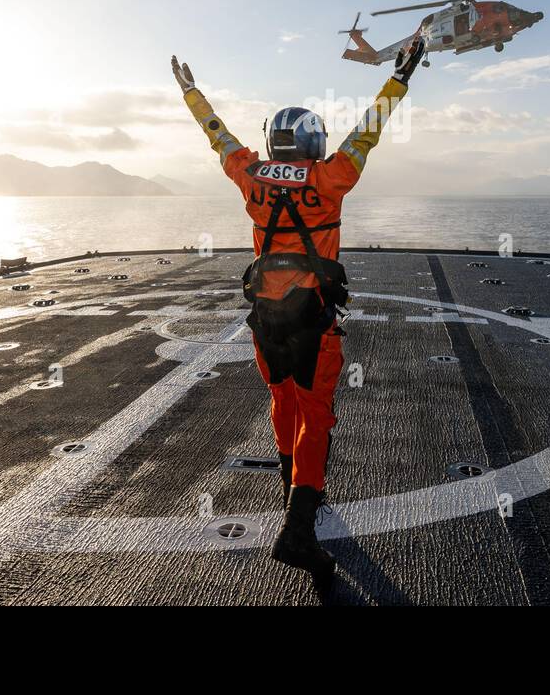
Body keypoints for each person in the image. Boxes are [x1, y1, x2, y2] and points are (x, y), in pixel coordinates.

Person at [171, 39, 425, 585]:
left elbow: (219, 137)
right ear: (312, 141)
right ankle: (300, 528)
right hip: (313, 323)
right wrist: (400, 77)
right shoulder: (331, 178)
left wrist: (192, 94)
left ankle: (291, 485)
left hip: (265, 323)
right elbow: (369, 129)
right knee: (317, 417)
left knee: (281, 401)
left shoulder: (250, 176)